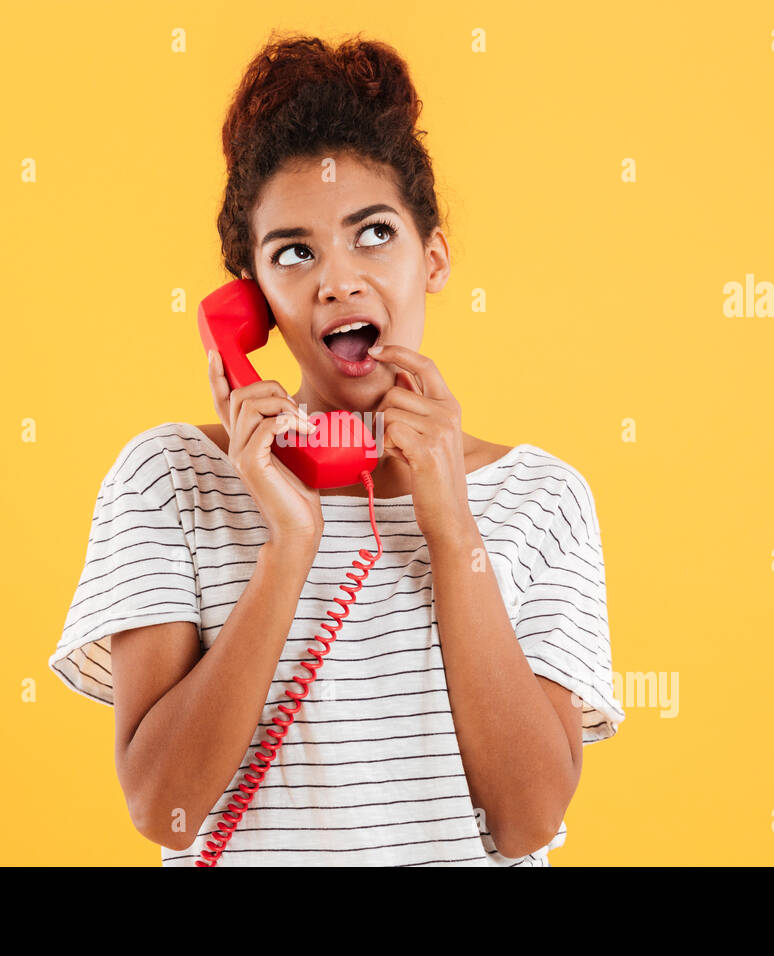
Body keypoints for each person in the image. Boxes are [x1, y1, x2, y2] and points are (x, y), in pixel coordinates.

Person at [48, 32, 625, 866]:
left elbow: (525, 821)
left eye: (374, 234)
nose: (338, 281)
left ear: (434, 258)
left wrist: (454, 529)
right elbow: (163, 808)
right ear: (250, 298)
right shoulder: (174, 479)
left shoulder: (542, 498)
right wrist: (290, 546)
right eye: (294, 253)